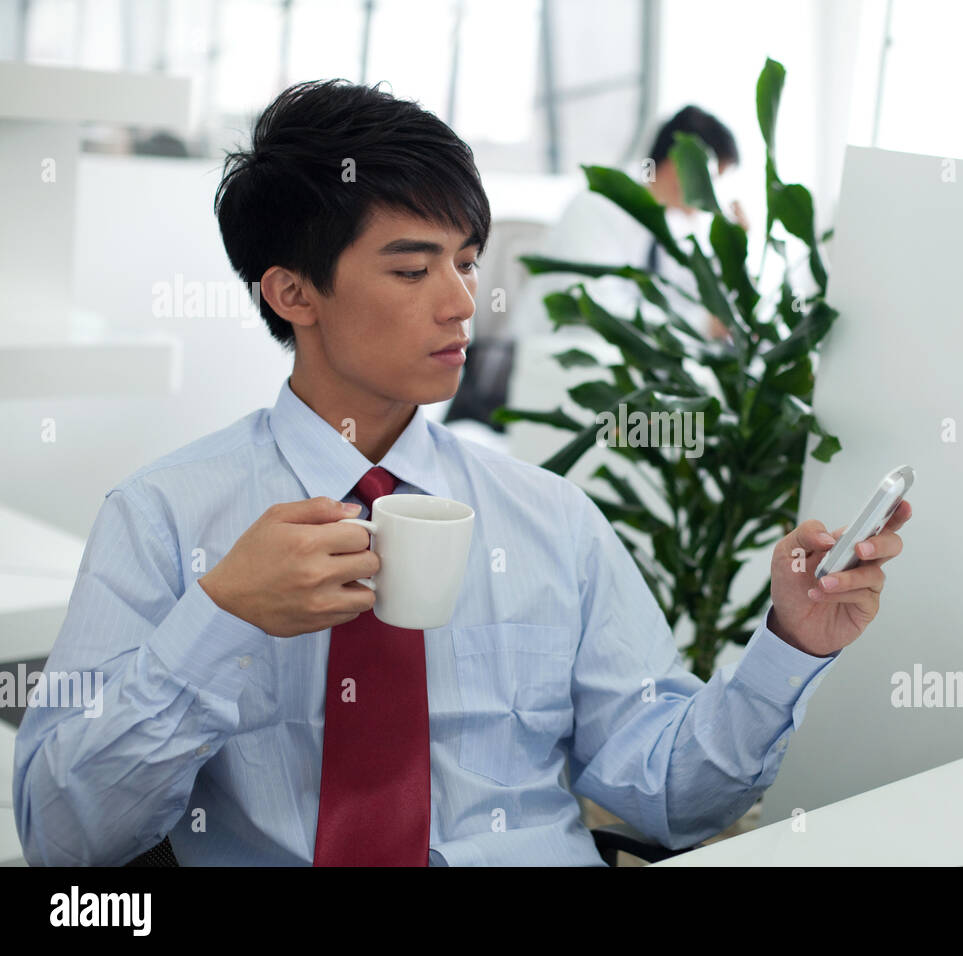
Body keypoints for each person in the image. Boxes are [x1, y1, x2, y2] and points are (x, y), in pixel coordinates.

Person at [11, 80, 910, 866]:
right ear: (293, 293)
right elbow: (66, 838)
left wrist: (790, 646)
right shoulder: (165, 518)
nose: (462, 302)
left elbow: (674, 798)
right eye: (413, 269)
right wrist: (217, 620)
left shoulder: (550, 519)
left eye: (468, 262)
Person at [512, 105, 748, 343]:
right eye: (712, 179)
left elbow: (697, 299)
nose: (714, 194)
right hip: (557, 354)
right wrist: (700, 324)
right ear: (682, 165)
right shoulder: (599, 204)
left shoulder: (677, 226)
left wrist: (735, 252)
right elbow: (598, 308)